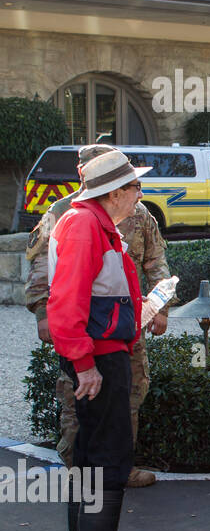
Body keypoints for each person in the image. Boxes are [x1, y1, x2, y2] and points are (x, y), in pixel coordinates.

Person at [26, 143, 170, 487]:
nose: (138, 191)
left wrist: (161, 306)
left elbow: (156, 260)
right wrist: (42, 313)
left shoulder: (138, 214)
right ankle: (82, 472)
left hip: (125, 323)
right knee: (80, 403)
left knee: (130, 396)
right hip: (90, 329)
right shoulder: (70, 215)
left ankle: (118, 470)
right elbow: (48, 272)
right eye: (132, 184)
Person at [47, 149, 153, 531]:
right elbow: (65, 301)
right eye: (135, 187)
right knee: (108, 454)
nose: (139, 194)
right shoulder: (87, 226)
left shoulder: (90, 223)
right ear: (114, 193)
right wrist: (85, 364)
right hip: (100, 357)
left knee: (93, 454)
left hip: (101, 353)